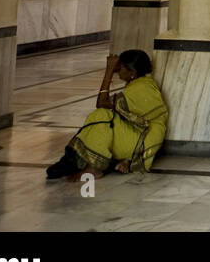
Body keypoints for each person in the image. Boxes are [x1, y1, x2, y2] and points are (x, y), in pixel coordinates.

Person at [45, 49, 167, 179]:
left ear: (132, 72)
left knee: (101, 115)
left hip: (142, 141)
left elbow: (101, 102)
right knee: (103, 120)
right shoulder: (141, 83)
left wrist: (108, 71)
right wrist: (114, 68)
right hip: (138, 133)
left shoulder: (142, 88)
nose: (118, 70)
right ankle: (79, 161)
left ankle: (92, 167)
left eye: (121, 68)